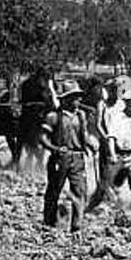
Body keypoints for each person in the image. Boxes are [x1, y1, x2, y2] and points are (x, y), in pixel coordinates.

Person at [40, 80, 96, 234]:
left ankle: (76, 226)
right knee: (54, 190)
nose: (78, 100)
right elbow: (43, 138)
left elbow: (83, 135)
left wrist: (91, 145)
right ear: (66, 99)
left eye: (79, 97)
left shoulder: (81, 116)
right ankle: (49, 223)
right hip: (60, 158)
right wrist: (55, 149)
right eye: (75, 97)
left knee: (80, 190)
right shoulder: (53, 117)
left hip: (77, 157)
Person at [86, 77, 124, 212]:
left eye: (116, 89)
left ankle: (116, 196)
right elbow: (98, 125)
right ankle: (103, 199)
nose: (114, 92)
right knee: (105, 172)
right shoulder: (102, 104)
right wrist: (106, 139)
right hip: (106, 142)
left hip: (120, 143)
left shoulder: (122, 105)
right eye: (112, 90)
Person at [106, 90, 131, 214]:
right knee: (113, 183)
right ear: (126, 104)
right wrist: (112, 155)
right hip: (118, 154)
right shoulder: (117, 117)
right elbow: (111, 137)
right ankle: (114, 208)